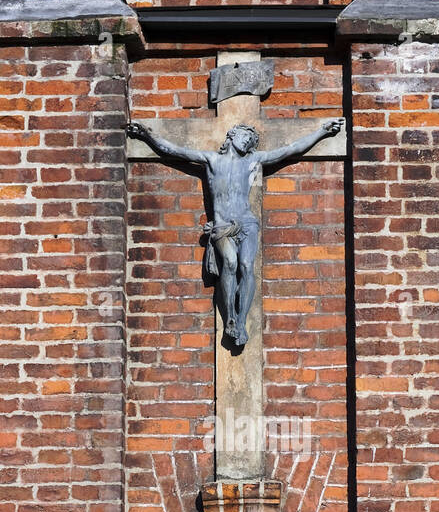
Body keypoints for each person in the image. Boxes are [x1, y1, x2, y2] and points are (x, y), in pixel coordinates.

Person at [127, 117, 344, 347]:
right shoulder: (212, 160)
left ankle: (240, 322)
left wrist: (321, 132)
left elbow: (290, 150)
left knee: (246, 266)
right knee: (229, 263)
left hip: (247, 223)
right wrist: (147, 135)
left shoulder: (253, 160)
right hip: (223, 226)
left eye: (252, 139)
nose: (248, 140)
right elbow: (174, 150)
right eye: (245, 135)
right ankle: (230, 316)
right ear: (232, 135)